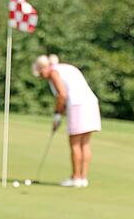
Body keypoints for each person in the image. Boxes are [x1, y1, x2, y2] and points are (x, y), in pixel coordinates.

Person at [32, 54, 101, 188]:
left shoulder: (53, 72)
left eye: (40, 74)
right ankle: (83, 178)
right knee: (85, 143)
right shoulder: (65, 68)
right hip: (91, 104)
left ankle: (76, 177)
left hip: (77, 106)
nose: (42, 78)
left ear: (43, 68)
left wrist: (57, 115)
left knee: (75, 143)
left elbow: (62, 95)